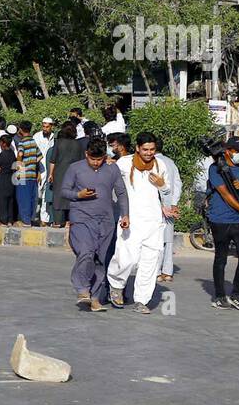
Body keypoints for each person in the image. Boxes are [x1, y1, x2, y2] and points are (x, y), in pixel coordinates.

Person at [107, 132, 173, 314]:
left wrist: (162, 185)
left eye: (152, 149)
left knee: (150, 262)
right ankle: (116, 286)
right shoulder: (124, 163)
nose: (149, 153)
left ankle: (142, 300)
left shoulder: (160, 165)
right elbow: (110, 181)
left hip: (153, 222)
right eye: (145, 149)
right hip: (131, 219)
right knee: (126, 258)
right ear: (137, 148)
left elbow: (167, 192)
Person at [61, 137, 129, 311]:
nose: (96, 163)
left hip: (106, 221)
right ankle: (82, 289)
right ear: (86, 154)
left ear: (105, 156)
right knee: (86, 251)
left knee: (100, 259)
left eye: (99, 159)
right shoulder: (75, 168)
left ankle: (96, 297)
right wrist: (79, 195)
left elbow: (121, 193)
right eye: (93, 159)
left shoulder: (112, 169)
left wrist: (125, 215)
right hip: (81, 218)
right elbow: (64, 191)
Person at [205, 137, 239, 311]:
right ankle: (219, 296)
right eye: (237, 150)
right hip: (220, 218)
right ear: (228, 151)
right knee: (221, 258)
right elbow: (226, 196)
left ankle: (236, 294)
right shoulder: (215, 169)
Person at [154, 137, 183, 284]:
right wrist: (174, 203)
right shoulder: (170, 162)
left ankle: (157, 272)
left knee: (156, 240)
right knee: (168, 240)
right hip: (170, 204)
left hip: (156, 206)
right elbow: (178, 183)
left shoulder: (152, 163)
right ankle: (168, 272)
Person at [50, 118, 85, 227]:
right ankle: (70, 221)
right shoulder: (78, 144)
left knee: (58, 195)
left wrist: (51, 174)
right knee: (72, 195)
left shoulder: (58, 143)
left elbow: (53, 160)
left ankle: (58, 221)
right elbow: (82, 160)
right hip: (74, 173)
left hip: (60, 172)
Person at [14, 121, 41, 227]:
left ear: (20, 129)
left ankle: (25, 221)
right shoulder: (33, 142)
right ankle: (30, 218)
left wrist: (19, 169)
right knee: (32, 198)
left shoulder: (22, 142)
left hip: (23, 175)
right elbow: (39, 157)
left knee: (22, 198)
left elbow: (20, 154)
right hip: (33, 174)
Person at [33, 117, 56, 224]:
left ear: (52, 127)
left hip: (49, 171)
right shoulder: (37, 137)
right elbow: (34, 155)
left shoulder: (54, 137)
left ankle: (44, 219)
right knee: (37, 194)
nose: (45, 129)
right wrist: (37, 171)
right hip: (39, 170)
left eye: (47, 127)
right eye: (43, 126)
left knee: (46, 195)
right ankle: (34, 217)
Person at [0, 134, 16, 225]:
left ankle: (3, 220)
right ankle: (10, 220)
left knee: (2, 201)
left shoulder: (3, 154)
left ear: (3, 143)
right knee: (10, 201)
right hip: (11, 181)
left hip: (3, 180)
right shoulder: (12, 153)